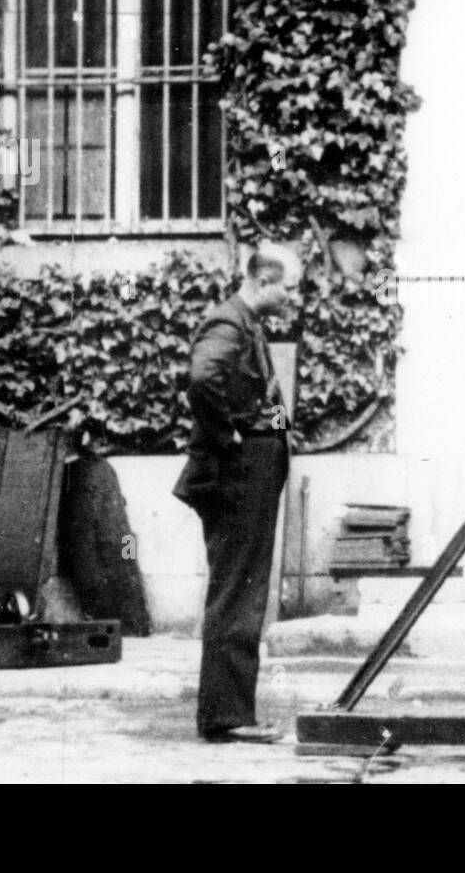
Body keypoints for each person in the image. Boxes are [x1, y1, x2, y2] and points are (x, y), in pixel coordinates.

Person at [173, 249, 299, 743]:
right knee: (238, 593)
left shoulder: (247, 324)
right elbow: (203, 381)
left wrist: (276, 432)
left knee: (242, 591)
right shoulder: (228, 324)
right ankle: (228, 716)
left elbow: (250, 395)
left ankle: (229, 712)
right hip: (238, 478)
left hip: (251, 475)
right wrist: (232, 440)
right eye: (287, 287)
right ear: (264, 280)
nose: (291, 297)